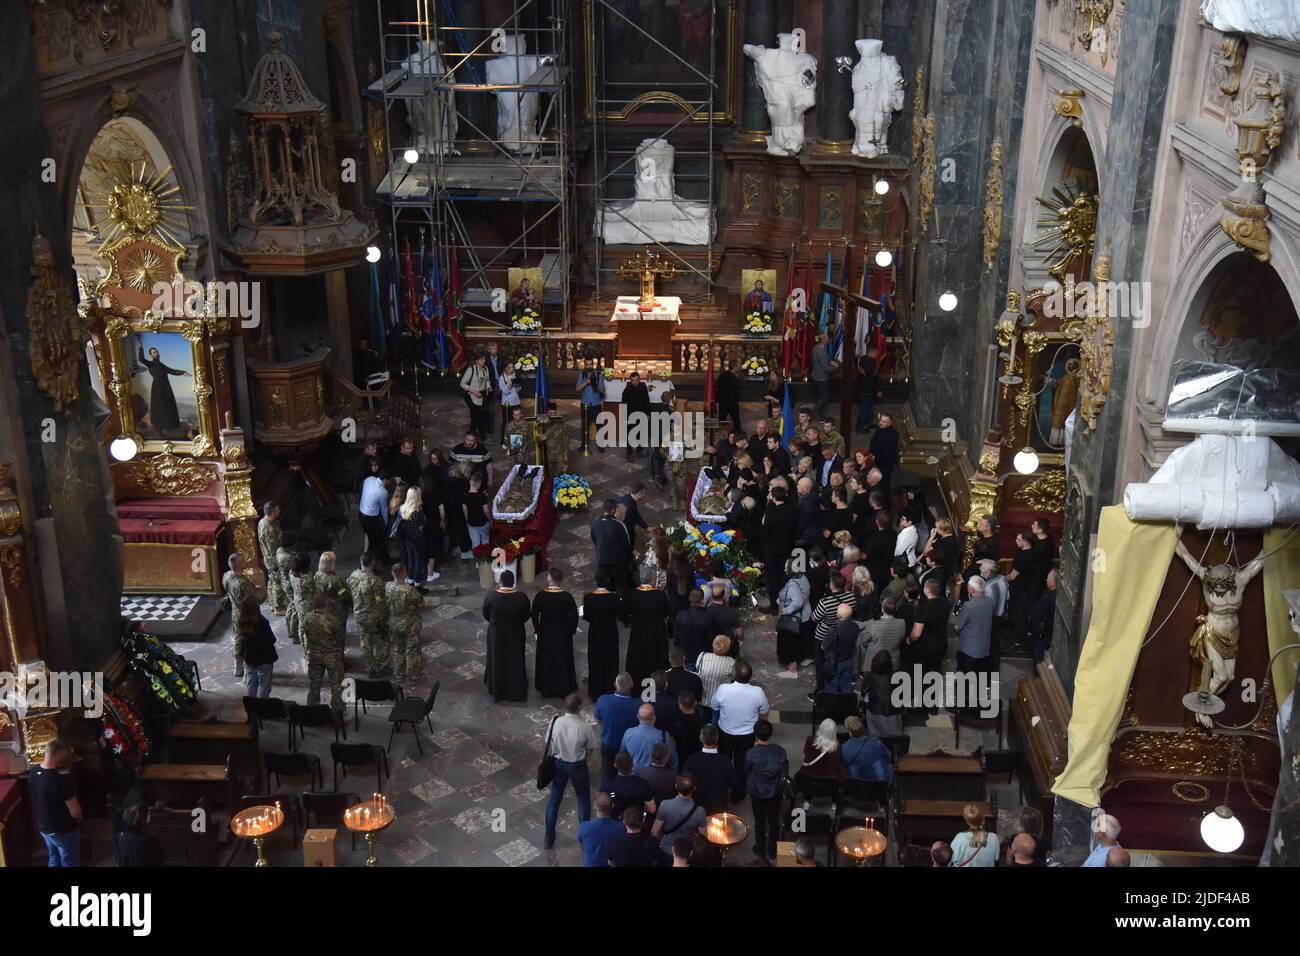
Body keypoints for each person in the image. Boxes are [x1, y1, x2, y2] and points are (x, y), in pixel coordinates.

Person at [542, 692, 597, 849]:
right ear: (579, 708)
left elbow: (549, 742)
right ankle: (584, 837)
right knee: (583, 799)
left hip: (559, 764)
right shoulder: (584, 727)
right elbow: (590, 748)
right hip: (578, 766)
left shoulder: (555, 722)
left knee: (555, 799)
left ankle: (548, 838)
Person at [712, 661, 769, 800]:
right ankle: (738, 794)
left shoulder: (724, 689)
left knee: (724, 760)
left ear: (735, 675)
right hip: (747, 735)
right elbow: (765, 710)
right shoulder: (758, 692)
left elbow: (714, 705)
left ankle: (722, 789)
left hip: (725, 732)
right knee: (741, 764)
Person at [526, 567, 577, 699]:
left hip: (546, 633)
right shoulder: (567, 597)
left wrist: (538, 629)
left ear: (549, 578)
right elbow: (575, 616)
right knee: (562, 660)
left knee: (546, 660)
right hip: (563, 634)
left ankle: (546, 687)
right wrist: (571, 630)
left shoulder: (541, 596)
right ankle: (563, 688)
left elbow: (534, 614)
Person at [31, 738, 82, 867]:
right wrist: (78, 820)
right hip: (63, 830)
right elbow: (75, 811)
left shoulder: (33, 772)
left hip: (45, 828)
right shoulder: (60, 782)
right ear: (58, 754)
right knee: (70, 862)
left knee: (54, 858)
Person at [483, 569, 531, 702]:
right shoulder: (521, 597)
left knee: (496, 658)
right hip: (515, 633)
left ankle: (496, 687)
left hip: (496, 633)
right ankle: (515, 688)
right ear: (513, 583)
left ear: (500, 582)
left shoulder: (491, 596)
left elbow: (485, 613)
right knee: (515, 659)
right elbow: (527, 615)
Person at [745, 718, 788, 863]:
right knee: (774, 820)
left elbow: (747, 770)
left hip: (756, 791)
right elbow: (784, 770)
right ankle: (773, 851)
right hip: (774, 791)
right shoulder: (780, 751)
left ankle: (761, 850)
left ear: (755, 735)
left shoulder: (751, 753)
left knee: (759, 820)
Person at [623, 566, 672, 686]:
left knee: (638, 659)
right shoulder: (659, 596)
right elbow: (666, 612)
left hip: (638, 631)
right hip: (657, 632)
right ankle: (658, 686)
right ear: (653, 579)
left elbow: (627, 613)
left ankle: (638, 686)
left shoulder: (631, 594)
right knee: (657, 659)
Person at [594, 672, 643, 789]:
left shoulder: (602, 700)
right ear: (631, 685)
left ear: (615, 685)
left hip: (608, 744)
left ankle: (607, 798)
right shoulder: (639, 705)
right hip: (629, 747)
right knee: (627, 774)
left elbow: (597, 719)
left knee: (607, 774)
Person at [346, 552, 389, 677]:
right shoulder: (375, 581)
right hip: (373, 617)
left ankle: (370, 667)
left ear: (361, 562)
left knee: (365, 642)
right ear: (373, 563)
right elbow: (380, 601)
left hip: (359, 615)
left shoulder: (353, 575)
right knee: (382, 641)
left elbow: (349, 588)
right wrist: (384, 616)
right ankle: (381, 667)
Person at [906, 576, 950, 694]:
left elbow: (916, 633)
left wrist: (909, 640)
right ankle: (933, 705)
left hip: (926, 647)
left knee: (923, 676)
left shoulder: (924, 608)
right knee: (935, 673)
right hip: (941, 644)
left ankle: (924, 703)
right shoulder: (945, 602)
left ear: (927, 590)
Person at [302, 592, 346, 710]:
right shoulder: (333, 621)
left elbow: (304, 635)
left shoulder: (307, 618)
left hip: (315, 655)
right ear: (327, 604)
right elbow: (340, 638)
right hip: (332, 656)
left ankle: (312, 709)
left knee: (314, 684)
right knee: (337, 685)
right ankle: (338, 711)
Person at [136, 344, 192, 437]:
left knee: (169, 405)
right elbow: (141, 359)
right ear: (151, 355)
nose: (156, 353)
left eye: (156, 351)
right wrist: (140, 348)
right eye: (154, 352)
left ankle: (170, 425)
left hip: (166, 386)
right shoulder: (151, 363)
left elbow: (172, 371)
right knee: (159, 406)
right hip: (157, 387)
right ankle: (160, 426)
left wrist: (183, 372)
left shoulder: (161, 365)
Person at [583, 576, 622, 701]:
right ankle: (611, 688)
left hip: (595, 632)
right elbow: (619, 614)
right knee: (611, 658)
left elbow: (587, 616)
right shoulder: (614, 597)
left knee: (595, 659)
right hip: (610, 631)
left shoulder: (589, 598)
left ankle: (595, 690)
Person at [649, 771, 707, 854]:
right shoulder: (700, 811)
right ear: (694, 788)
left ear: (676, 786)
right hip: (687, 852)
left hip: (667, 849)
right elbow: (703, 838)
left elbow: (654, 831)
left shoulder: (665, 805)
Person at [384, 563, 424, 683]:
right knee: (412, 650)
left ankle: (399, 674)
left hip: (393, 623)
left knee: (398, 648)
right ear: (405, 573)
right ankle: (413, 676)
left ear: (392, 573)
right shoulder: (410, 590)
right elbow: (421, 604)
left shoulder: (387, 587)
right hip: (409, 625)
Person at [761, 484, 796, 614]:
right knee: (784, 576)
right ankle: (785, 602)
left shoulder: (771, 513)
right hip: (787, 547)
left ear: (774, 498)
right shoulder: (791, 509)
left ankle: (774, 605)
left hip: (772, 549)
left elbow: (765, 532)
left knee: (772, 578)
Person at [777, 557, 813, 678]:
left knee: (791, 644)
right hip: (806, 615)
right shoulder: (803, 576)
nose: (784, 569)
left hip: (795, 618)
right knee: (800, 641)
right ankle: (801, 659)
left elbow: (797, 602)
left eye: (786, 567)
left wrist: (787, 609)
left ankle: (792, 671)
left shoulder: (792, 584)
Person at [683, 724, 732, 814]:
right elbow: (730, 783)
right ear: (717, 739)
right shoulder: (725, 761)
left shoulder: (692, 759)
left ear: (701, 738)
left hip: (696, 805)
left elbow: (685, 782)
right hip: (718, 805)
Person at [954, 576, 995, 682]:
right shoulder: (989, 601)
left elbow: (958, 626)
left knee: (963, 679)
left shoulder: (968, 606)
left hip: (968, 649)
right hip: (985, 647)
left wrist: (957, 630)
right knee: (980, 678)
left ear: (971, 590)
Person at [239, 597, 278, 698]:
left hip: (249, 657)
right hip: (264, 658)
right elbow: (271, 639)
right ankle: (262, 708)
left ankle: (252, 707)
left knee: (251, 683)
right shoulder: (262, 622)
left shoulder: (241, 621)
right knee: (264, 685)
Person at [621, 703, 679, 770]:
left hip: (634, 774)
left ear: (637, 716)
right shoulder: (664, 736)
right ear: (654, 718)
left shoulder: (628, 733)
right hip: (655, 776)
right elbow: (674, 761)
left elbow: (622, 754)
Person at [592, 498, 633, 592]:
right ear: (614, 510)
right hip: (618, 560)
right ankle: (621, 602)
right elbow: (627, 544)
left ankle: (607, 601)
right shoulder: (619, 524)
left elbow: (594, 540)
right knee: (621, 584)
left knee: (605, 585)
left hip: (602, 559)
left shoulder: (595, 523)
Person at [840, 715, 893, 782]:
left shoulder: (843, 748)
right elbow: (889, 756)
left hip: (856, 787)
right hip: (879, 787)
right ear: (863, 728)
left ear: (850, 732)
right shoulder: (876, 743)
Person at [577, 792, 625, 867]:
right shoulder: (621, 827)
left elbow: (581, 845)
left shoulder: (584, 826)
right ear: (612, 806)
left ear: (595, 806)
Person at [358, 469, 394, 565]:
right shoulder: (382, 491)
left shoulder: (369, 479)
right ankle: (374, 563)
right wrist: (386, 523)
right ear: (386, 480)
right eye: (390, 481)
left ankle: (369, 558)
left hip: (361, 513)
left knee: (370, 536)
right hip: (370, 518)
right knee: (376, 541)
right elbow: (384, 509)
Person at [257, 501, 287, 614]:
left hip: (268, 559)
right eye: (277, 509)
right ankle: (278, 607)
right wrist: (280, 562)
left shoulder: (262, 521)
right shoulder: (268, 530)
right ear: (273, 512)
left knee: (271, 581)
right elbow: (273, 550)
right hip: (274, 561)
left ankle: (272, 602)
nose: (279, 511)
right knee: (277, 583)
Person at [396, 486, 428, 589]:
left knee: (411, 560)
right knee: (418, 562)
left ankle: (410, 581)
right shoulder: (418, 511)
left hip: (407, 539)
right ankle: (418, 585)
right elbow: (423, 524)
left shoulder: (402, 508)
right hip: (417, 539)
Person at [823, 604, 860, 693]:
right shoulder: (855, 626)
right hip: (849, 660)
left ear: (838, 615)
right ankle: (845, 704)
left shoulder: (833, 630)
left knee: (831, 686)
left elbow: (824, 646)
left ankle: (832, 705)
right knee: (846, 684)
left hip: (834, 663)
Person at [609, 751, 656, 819]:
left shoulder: (609, 785)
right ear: (632, 765)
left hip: (617, 820)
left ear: (615, 765)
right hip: (637, 821)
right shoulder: (642, 784)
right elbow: (652, 809)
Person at [674, 589, 714, 665]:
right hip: (702, 658)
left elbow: (676, 638)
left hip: (685, 656)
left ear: (689, 598)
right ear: (702, 600)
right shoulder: (708, 617)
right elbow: (712, 639)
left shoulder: (680, 615)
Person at [635, 742, 680, 807]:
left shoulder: (640, 773)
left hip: (646, 809)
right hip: (666, 809)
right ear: (666, 757)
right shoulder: (674, 776)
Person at [460, 352, 493, 438]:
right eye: (482, 359)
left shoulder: (485, 369)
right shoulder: (471, 370)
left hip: (483, 396)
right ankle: (472, 437)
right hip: (472, 397)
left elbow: (487, 380)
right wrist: (473, 391)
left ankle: (482, 437)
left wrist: (488, 388)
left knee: (483, 418)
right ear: (477, 361)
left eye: (484, 359)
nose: (484, 361)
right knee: (474, 419)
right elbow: (462, 383)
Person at [695, 635, 735, 707]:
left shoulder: (702, 655)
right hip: (719, 699)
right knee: (716, 717)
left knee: (703, 716)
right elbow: (732, 678)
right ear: (727, 648)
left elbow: (697, 668)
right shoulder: (730, 661)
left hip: (702, 696)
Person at [1030, 570, 1059, 664]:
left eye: (1048, 578)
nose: (1046, 580)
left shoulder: (1047, 598)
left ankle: (1038, 677)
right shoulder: (1059, 596)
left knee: (1039, 659)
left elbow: (1036, 615)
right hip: (1051, 634)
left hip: (1043, 634)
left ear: (1052, 582)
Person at [576, 361, 606, 455]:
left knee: (599, 425)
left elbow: (603, 390)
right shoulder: (582, 374)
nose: (588, 366)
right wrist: (586, 382)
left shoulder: (598, 374)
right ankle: (583, 445)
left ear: (593, 364)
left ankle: (601, 445)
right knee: (585, 425)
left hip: (596, 404)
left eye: (590, 364)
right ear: (585, 365)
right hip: (585, 404)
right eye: (587, 364)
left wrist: (595, 384)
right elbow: (577, 389)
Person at [810, 332, 838, 418]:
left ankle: (817, 412)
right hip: (821, 378)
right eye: (827, 339)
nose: (829, 340)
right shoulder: (821, 352)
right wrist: (835, 367)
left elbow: (823, 363)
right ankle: (815, 412)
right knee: (824, 397)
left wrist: (830, 362)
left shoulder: (815, 348)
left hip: (817, 376)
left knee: (821, 396)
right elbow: (826, 368)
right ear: (824, 340)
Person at [868, 412, 899, 486]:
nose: (881, 423)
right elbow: (873, 441)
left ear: (890, 423)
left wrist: (876, 457)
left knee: (883, 482)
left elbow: (888, 451)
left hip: (885, 464)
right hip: (875, 459)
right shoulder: (879, 429)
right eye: (881, 420)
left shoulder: (893, 435)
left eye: (884, 422)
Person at [462, 473, 491, 552]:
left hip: (471, 523)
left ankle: (478, 561)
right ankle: (485, 560)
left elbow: (465, 511)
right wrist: (490, 519)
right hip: (483, 523)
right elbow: (486, 511)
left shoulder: (464, 496)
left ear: (470, 483)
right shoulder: (482, 496)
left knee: (475, 543)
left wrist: (467, 521)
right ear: (479, 484)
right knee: (485, 540)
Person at [619, 483, 649, 555]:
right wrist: (631, 549)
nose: (645, 495)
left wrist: (646, 526)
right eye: (645, 493)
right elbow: (634, 518)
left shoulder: (627, 497)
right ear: (639, 493)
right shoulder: (630, 506)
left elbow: (636, 515)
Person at [498, 362, 521, 448]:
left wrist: (517, 385)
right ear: (506, 368)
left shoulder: (515, 376)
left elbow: (517, 390)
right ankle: (504, 442)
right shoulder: (502, 378)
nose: (512, 369)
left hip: (516, 401)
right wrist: (510, 384)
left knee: (516, 422)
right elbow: (505, 392)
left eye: (512, 367)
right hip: (507, 403)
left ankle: (515, 441)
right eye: (510, 367)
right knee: (506, 422)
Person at [715, 361, 741, 431]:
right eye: (738, 366)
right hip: (732, 403)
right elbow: (736, 391)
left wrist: (718, 400)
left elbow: (717, 387)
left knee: (721, 421)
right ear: (735, 367)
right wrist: (738, 400)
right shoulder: (734, 378)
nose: (739, 367)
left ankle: (719, 434)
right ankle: (738, 435)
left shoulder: (722, 375)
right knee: (736, 422)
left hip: (722, 402)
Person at [855, 352, 878, 434]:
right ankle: (860, 426)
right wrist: (877, 390)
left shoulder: (863, 358)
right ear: (873, 351)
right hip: (867, 389)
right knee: (864, 409)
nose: (877, 354)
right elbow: (870, 377)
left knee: (870, 407)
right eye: (876, 352)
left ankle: (868, 423)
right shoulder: (870, 363)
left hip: (863, 388)